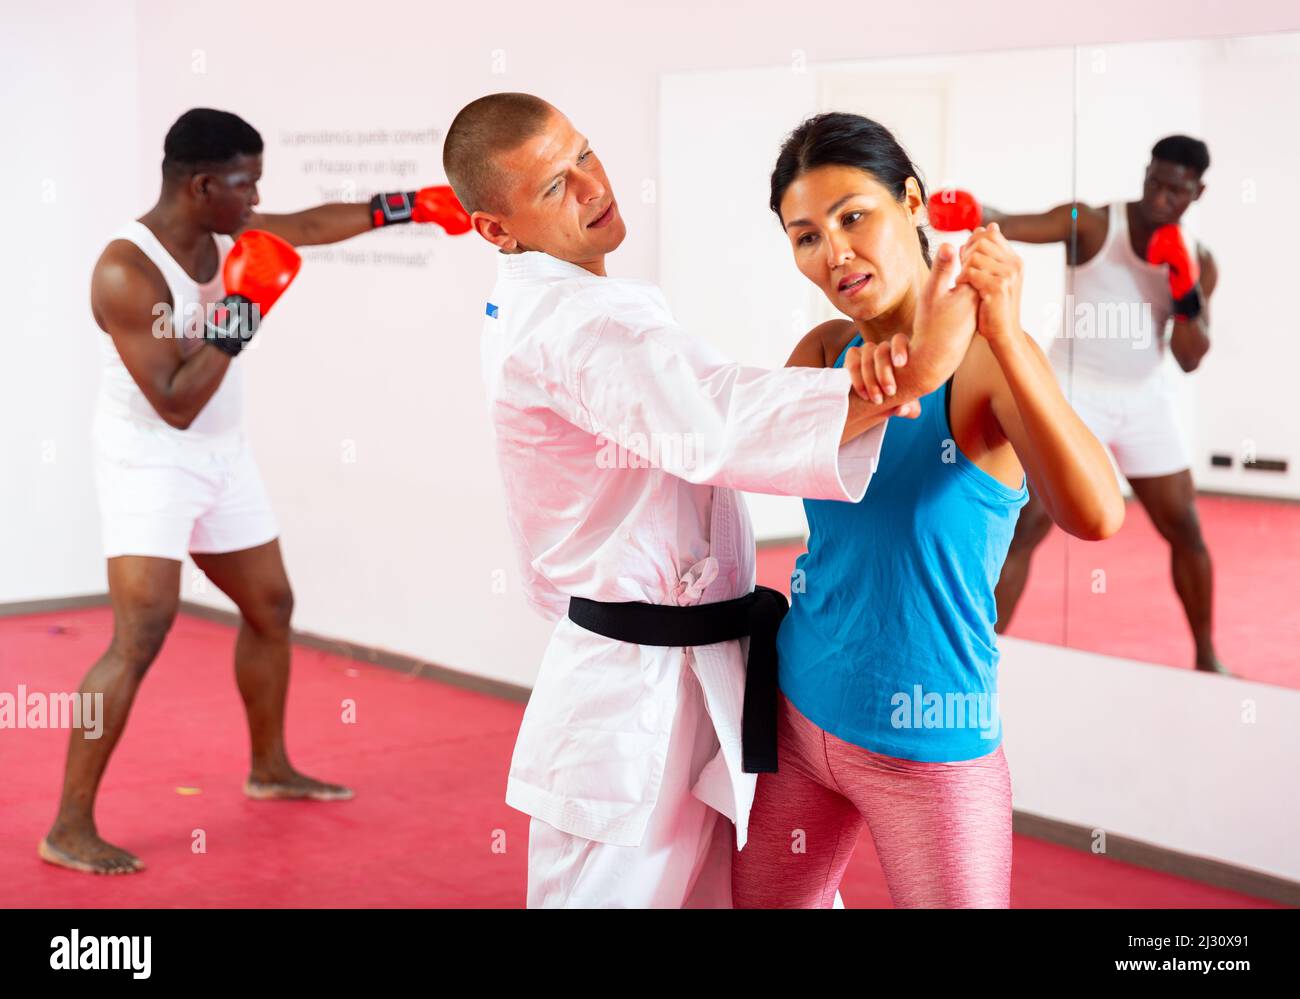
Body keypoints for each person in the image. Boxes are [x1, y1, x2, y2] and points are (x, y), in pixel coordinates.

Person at [443, 93, 982, 907]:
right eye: (555, 186)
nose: (594, 188)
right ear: (496, 229)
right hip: (634, 697)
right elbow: (712, 422)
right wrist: (912, 373)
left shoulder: (579, 302)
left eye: (585, 155)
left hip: (691, 671)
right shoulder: (570, 324)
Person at [41, 107, 472, 876]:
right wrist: (244, 310)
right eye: (247, 184)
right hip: (149, 457)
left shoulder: (220, 229)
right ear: (203, 185)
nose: (257, 199)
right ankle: (69, 825)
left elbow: (304, 225)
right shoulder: (125, 269)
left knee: (271, 606)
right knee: (140, 633)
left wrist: (407, 206)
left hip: (222, 454)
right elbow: (175, 399)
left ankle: (269, 767)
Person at [731, 112, 1124, 908]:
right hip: (800, 715)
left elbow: (1096, 514)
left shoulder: (983, 363)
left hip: (932, 746)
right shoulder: (822, 352)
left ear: (910, 200)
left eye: (852, 216)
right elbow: (751, 458)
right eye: (806, 236)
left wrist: (1008, 335)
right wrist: (868, 392)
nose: (834, 251)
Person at [930, 136, 1225, 673]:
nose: (1160, 197)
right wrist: (972, 212)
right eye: (1154, 182)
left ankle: (1207, 657)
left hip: (1144, 400)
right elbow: (1012, 222)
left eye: (1175, 190)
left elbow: (1190, 357)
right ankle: (977, 656)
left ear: (1196, 192)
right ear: (1146, 173)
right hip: (1072, 389)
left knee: (1185, 528)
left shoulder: (1199, 259)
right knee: (1030, 525)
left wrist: (1183, 288)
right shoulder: (1092, 223)